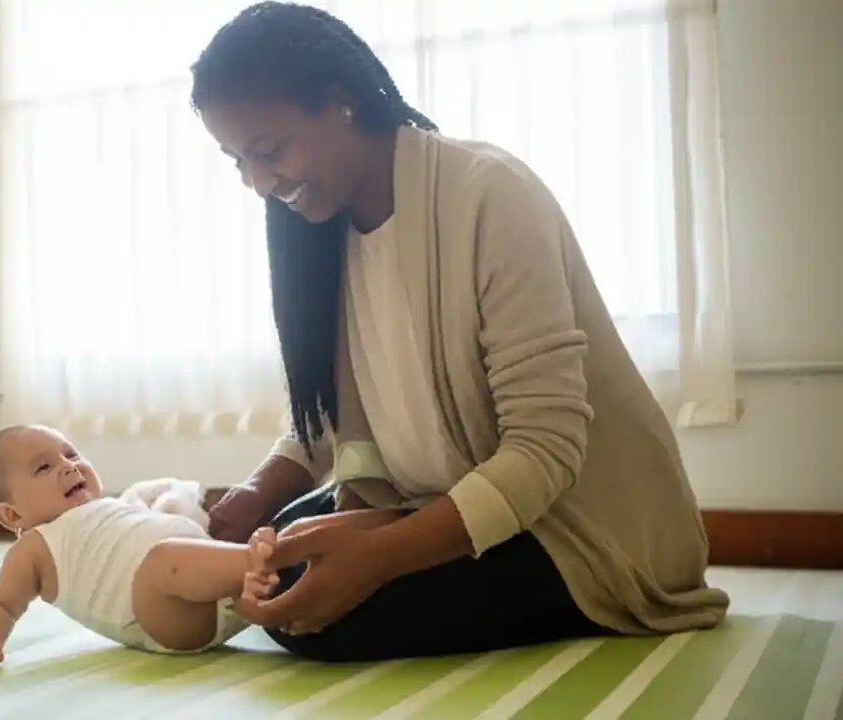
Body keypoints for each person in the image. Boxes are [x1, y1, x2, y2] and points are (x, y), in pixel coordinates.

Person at [191, 2, 730, 662]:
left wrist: (381, 554)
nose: (258, 184)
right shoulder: (320, 232)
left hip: (569, 526)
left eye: (267, 152)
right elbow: (328, 416)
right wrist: (256, 495)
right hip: (430, 506)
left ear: (341, 102)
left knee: (321, 610)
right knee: (276, 561)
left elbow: (546, 447)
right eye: (237, 161)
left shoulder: (488, 194)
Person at [0, 424, 399, 667]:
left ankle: (377, 524)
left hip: (211, 588)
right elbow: (0, 603)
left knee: (273, 538)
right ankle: (261, 557)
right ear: (11, 515)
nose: (69, 467)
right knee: (166, 560)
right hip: (161, 617)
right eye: (44, 467)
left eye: (71, 454)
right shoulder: (34, 547)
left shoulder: (115, 507)